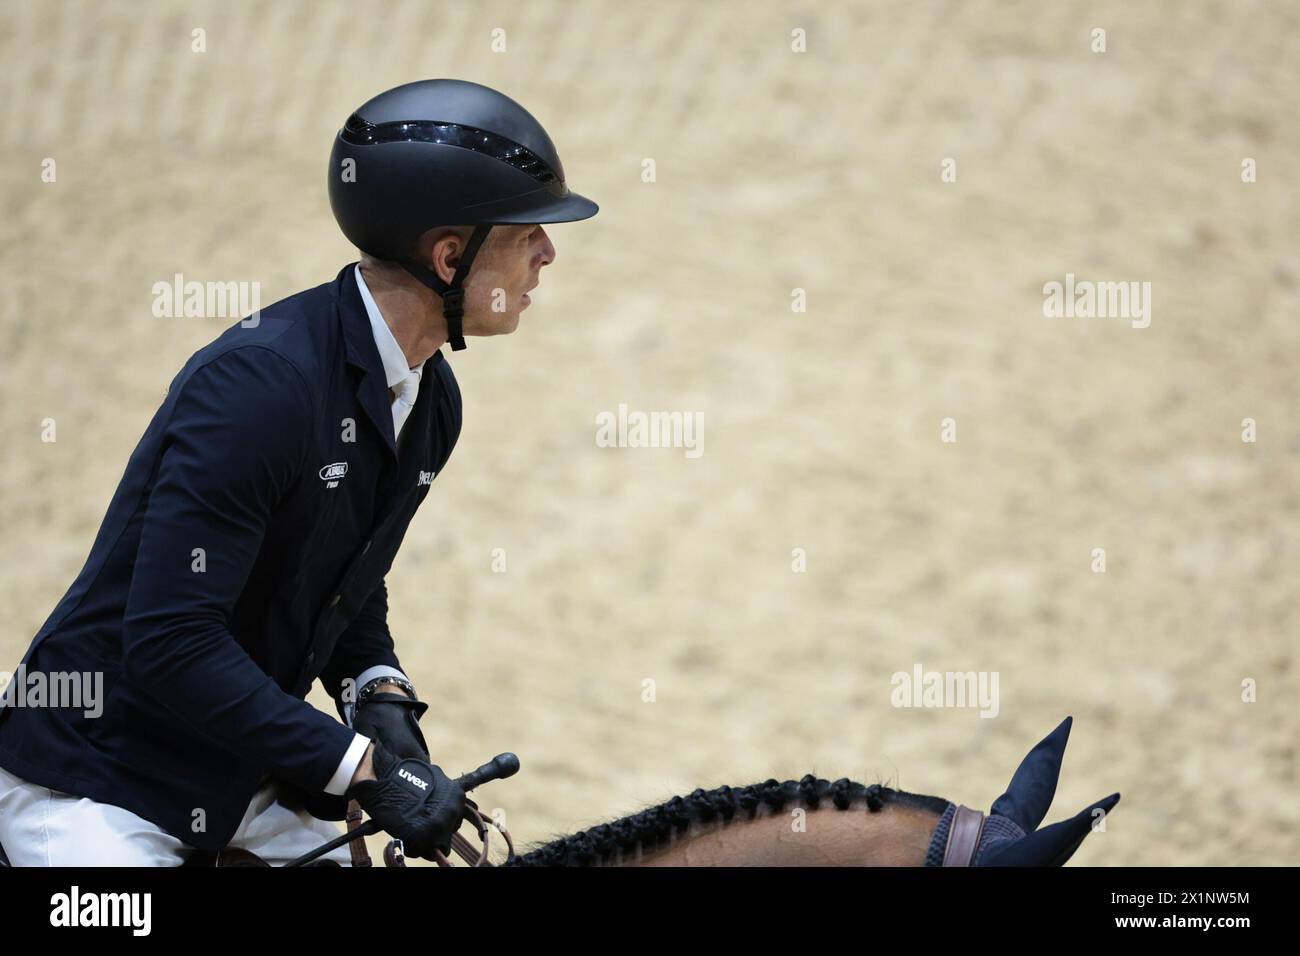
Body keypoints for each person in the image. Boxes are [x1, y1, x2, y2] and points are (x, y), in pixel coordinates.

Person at [0, 78, 598, 866]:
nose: (548, 253)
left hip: (235, 772)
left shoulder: (429, 400)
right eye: (528, 235)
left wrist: (378, 695)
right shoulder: (259, 387)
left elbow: (345, 577)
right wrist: (362, 770)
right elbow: (171, 640)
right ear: (450, 258)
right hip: (99, 782)